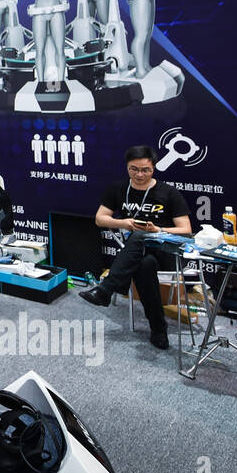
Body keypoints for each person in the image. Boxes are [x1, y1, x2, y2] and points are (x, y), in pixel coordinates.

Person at [79, 144, 191, 349]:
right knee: (144, 264)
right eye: (134, 169)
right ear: (127, 167)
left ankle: (106, 289)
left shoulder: (168, 192)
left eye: (145, 170)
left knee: (140, 237)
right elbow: (99, 219)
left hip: (165, 250)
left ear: (154, 168)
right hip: (137, 254)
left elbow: (185, 229)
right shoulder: (118, 189)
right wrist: (125, 223)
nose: (140, 174)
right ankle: (159, 329)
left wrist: (158, 230)